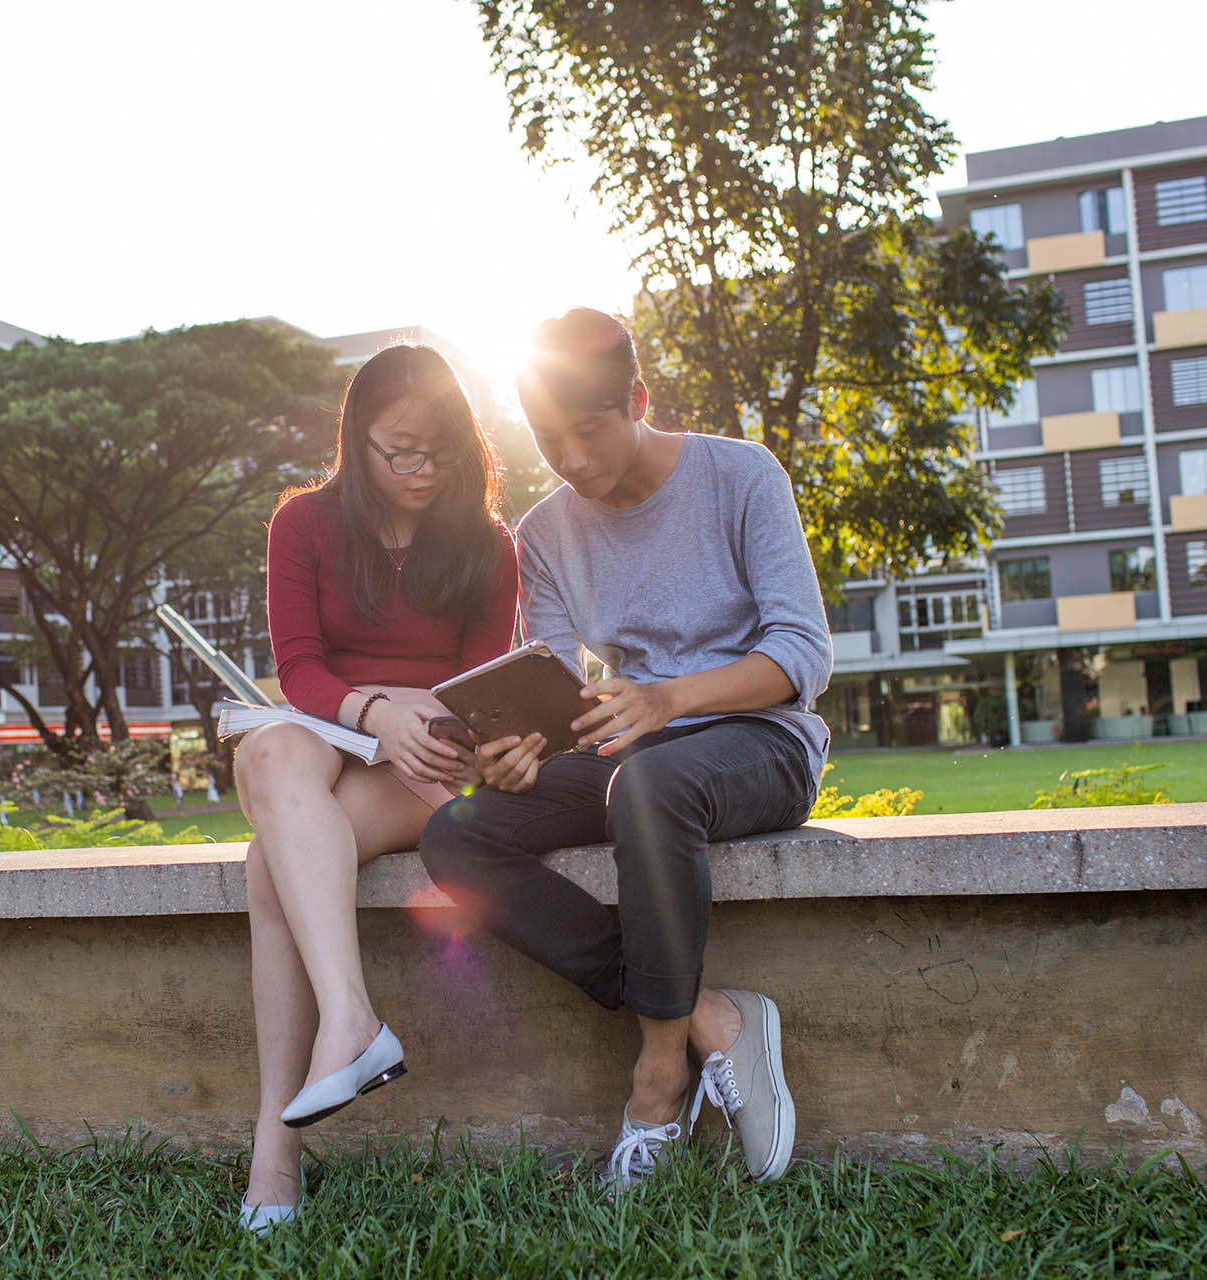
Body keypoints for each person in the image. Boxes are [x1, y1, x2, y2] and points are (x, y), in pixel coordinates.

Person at [418, 308, 832, 1189]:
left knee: (648, 785)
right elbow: (561, 687)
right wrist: (517, 752)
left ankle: (656, 1077)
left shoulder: (741, 475)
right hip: (633, 751)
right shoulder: (545, 533)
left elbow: (803, 655)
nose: (570, 460)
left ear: (638, 400)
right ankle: (710, 1016)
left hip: (763, 739)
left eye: (588, 431)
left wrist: (671, 697)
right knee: (458, 834)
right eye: (546, 439)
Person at [233, 344, 518, 1233]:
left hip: (426, 760)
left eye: (439, 449)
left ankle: (274, 1147)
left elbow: (481, 690)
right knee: (274, 753)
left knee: (272, 867)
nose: (422, 470)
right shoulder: (304, 524)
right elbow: (300, 672)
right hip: (332, 732)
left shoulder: (488, 543)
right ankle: (350, 1018)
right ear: (356, 441)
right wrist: (373, 711)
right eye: (400, 450)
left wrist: (409, 721)